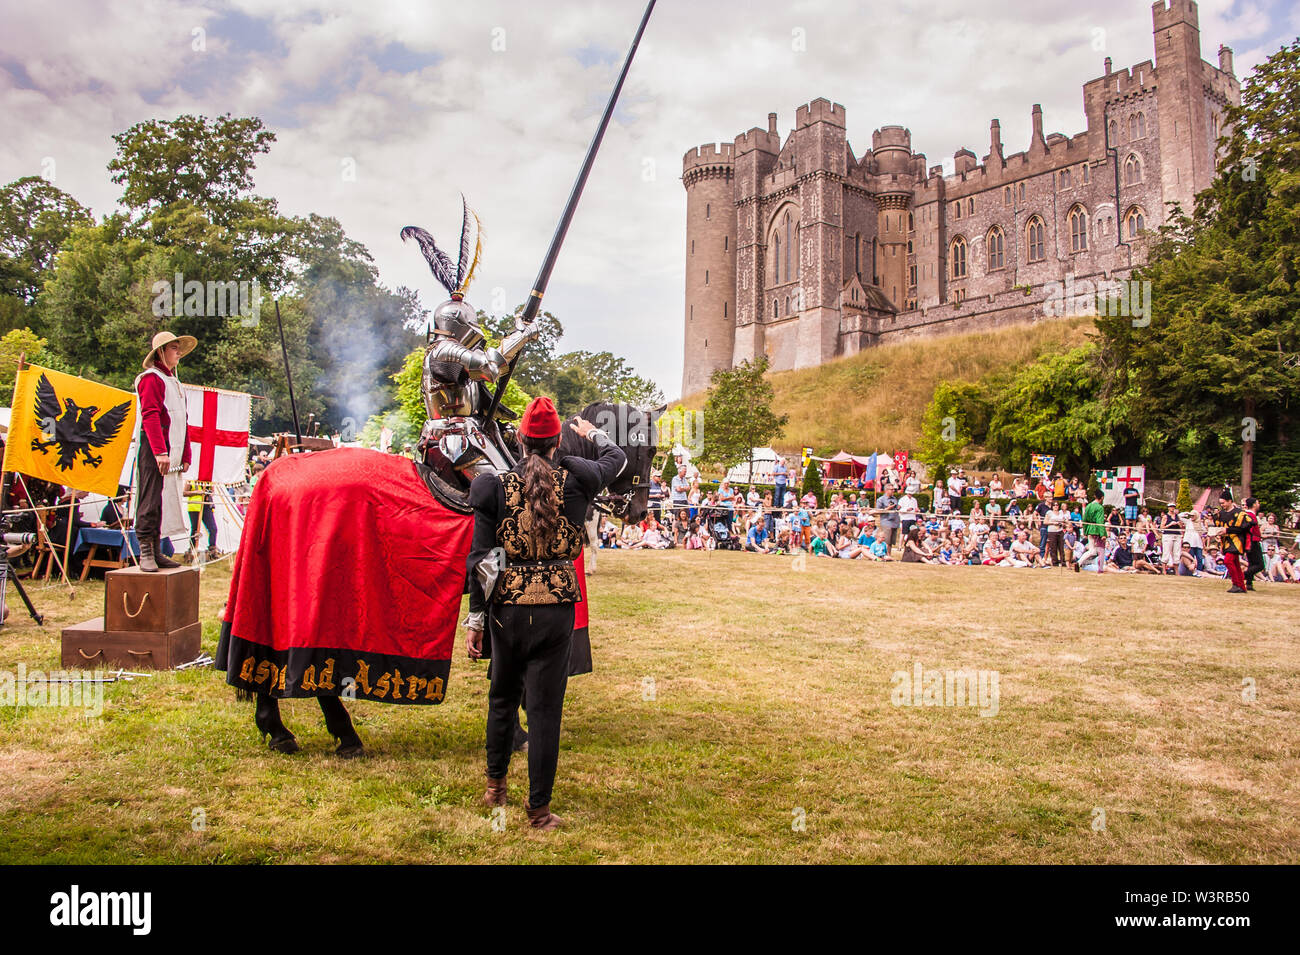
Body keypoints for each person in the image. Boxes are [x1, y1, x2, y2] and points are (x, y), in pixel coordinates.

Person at [464, 397, 627, 830]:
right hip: (555, 612)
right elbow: (617, 458)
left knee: (501, 700)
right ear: (557, 441)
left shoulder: (492, 487)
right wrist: (588, 438)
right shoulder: (578, 481)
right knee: (544, 711)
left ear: (518, 439)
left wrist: (475, 619)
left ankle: (494, 788)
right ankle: (537, 811)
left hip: (507, 612)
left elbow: (482, 560)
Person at [134, 331, 195, 572]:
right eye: (173, 348)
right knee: (150, 497)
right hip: (154, 448)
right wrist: (159, 451)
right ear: (161, 351)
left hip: (172, 449)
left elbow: (183, 421)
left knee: (164, 498)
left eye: (179, 347)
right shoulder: (151, 378)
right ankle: (145, 549)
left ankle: (156, 548)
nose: (178, 352)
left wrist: (186, 455)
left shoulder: (175, 383)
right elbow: (150, 415)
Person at [1211, 489, 1255, 594]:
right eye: (1221, 503)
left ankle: (1236, 584)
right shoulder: (1220, 515)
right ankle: (1241, 586)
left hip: (1237, 541)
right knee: (1235, 563)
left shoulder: (1240, 514)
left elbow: (1244, 527)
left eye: (1224, 503)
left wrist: (1227, 530)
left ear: (1230, 501)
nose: (1222, 505)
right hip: (1226, 541)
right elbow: (1219, 528)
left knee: (1228, 561)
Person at [1080, 489, 1106, 574]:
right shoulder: (1099, 507)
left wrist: (1085, 530)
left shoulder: (1089, 506)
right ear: (1101, 497)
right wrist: (1102, 534)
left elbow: (1084, 519)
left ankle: (1079, 563)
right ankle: (1100, 568)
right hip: (1096, 530)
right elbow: (1100, 521)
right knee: (1099, 550)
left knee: (1092, 551)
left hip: (1089, 529)